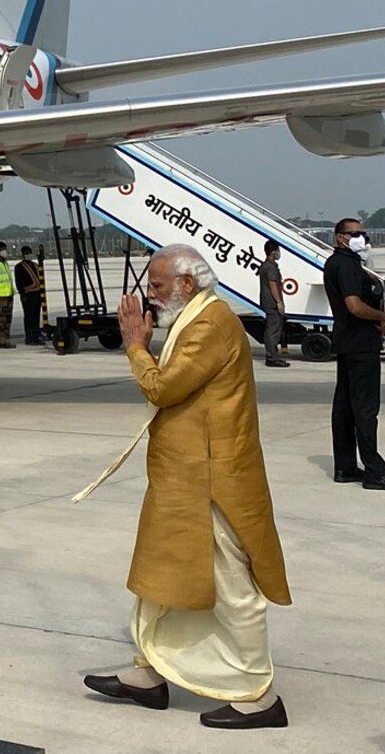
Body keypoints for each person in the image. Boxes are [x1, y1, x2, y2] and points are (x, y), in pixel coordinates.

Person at [80, 244, 292, 730]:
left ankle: (259, 696)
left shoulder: (210, 324)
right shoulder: (195, 318)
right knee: (162, 578)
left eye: (156, 286)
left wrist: (135, 344)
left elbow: (163, 388)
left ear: (187, 285)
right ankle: (148, 676)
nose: (149, 296)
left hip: (213, 482)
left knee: (232, 589)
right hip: (185, 477)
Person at [322, 218, 385, 490]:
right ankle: (375, 471)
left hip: (348, 341)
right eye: (355, 233)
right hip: (360, 343)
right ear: (340, 237)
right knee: (365, 408)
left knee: (346, 407)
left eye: (364, 233)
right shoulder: (347, 266)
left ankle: (345, 467)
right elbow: (355, 306)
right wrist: (382, 316)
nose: (362, 238)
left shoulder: (340, 263)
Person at [259, 240, 290, 367]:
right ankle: (272, 357)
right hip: (271, 302)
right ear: (273, 252)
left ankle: (272, 355)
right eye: (277, 251)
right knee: (273, 331)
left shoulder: (265, 265)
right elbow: (273, 285)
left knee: (271, 330)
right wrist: (279, 302)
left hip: (267, 301)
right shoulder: (271, 267)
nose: (278, 253)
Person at [15, 245, 44, 346]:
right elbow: (19, 282)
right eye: (26, 253)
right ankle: (30, 337)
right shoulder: (19, 267)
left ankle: (36, 336)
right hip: (28, 295)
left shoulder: (35, 265)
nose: (28, 255)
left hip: (37, 294)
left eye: (29, 253)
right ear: (23, 255)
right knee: (29, 317)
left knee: (36, 316)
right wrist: (23, 294)